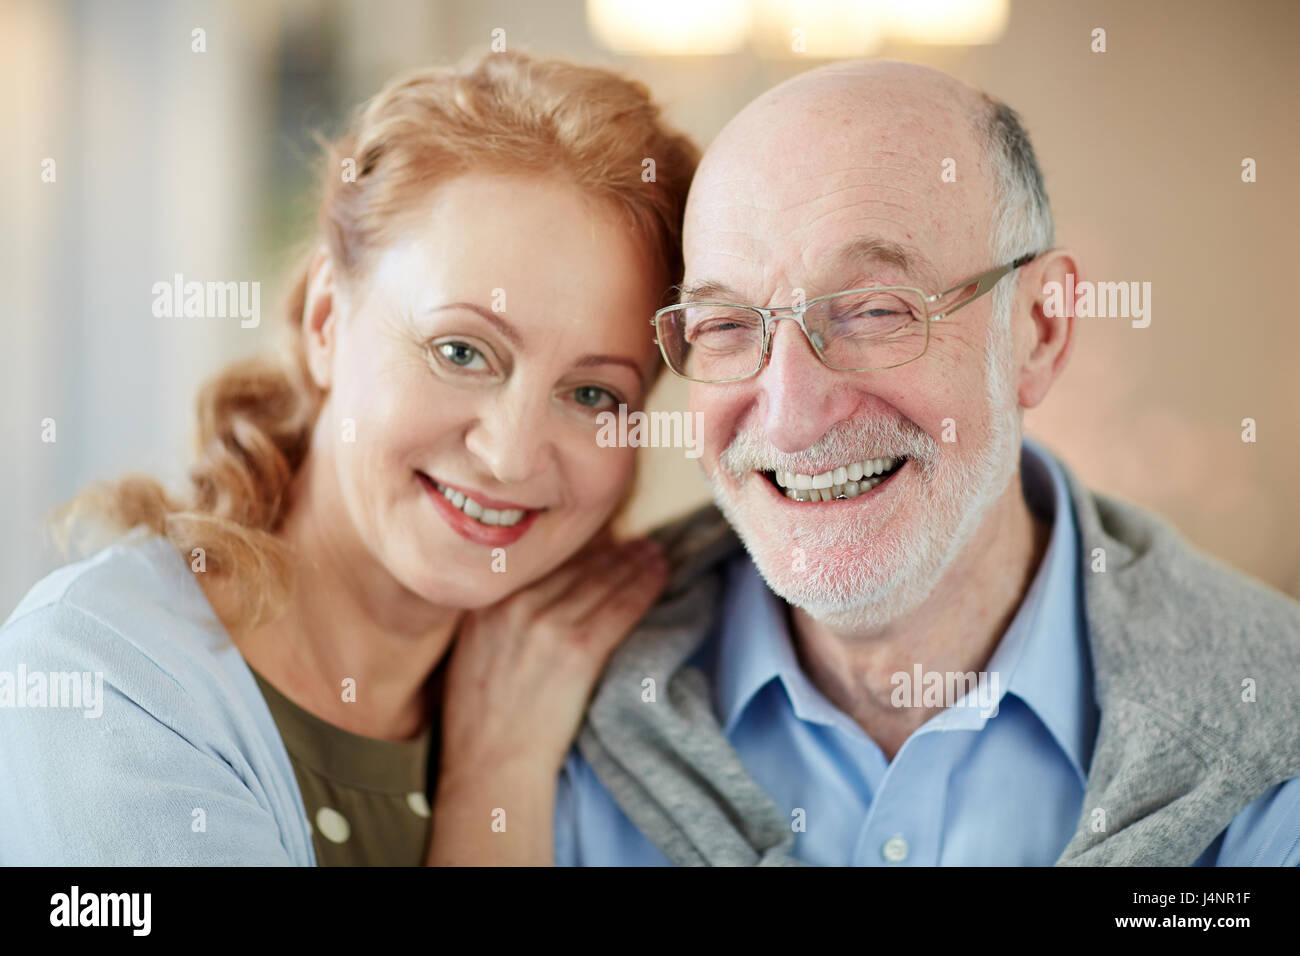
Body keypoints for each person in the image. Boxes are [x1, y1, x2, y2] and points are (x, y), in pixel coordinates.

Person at [556, 59, 1300, 866]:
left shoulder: (1276, 736)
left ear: (1040, 328)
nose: (793, 418)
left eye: (875, 310)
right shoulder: (558, 713)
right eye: (725, 326)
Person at [0, 50, 697, 865]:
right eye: (461, 351)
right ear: (327, 320)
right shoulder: (103, 679)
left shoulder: (601, 685)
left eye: (593, 394)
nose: (510, 457)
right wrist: (497, 773)